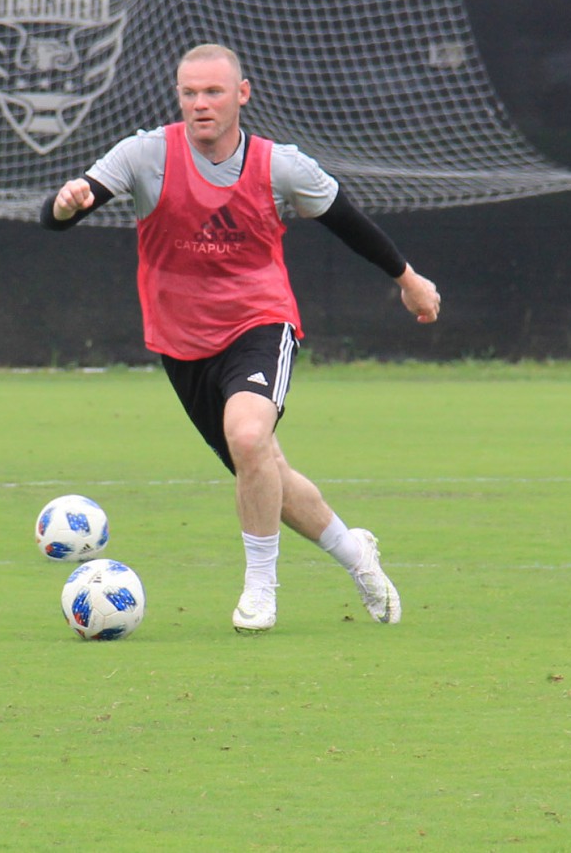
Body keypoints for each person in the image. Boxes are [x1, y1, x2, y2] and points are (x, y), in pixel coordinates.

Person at [42, 43, 442, 634]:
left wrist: (408, 279)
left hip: (260, 322)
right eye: (190, 93)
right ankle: (356, 554)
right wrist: (64, 204)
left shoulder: (280, 166)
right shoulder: (145, 155)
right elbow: (61, 212)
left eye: (214, 92)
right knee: (261, 467)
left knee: (249, 436)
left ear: (242, 94)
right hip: (180, 343)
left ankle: (260, 589)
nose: (201, 104)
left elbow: (348, 221)